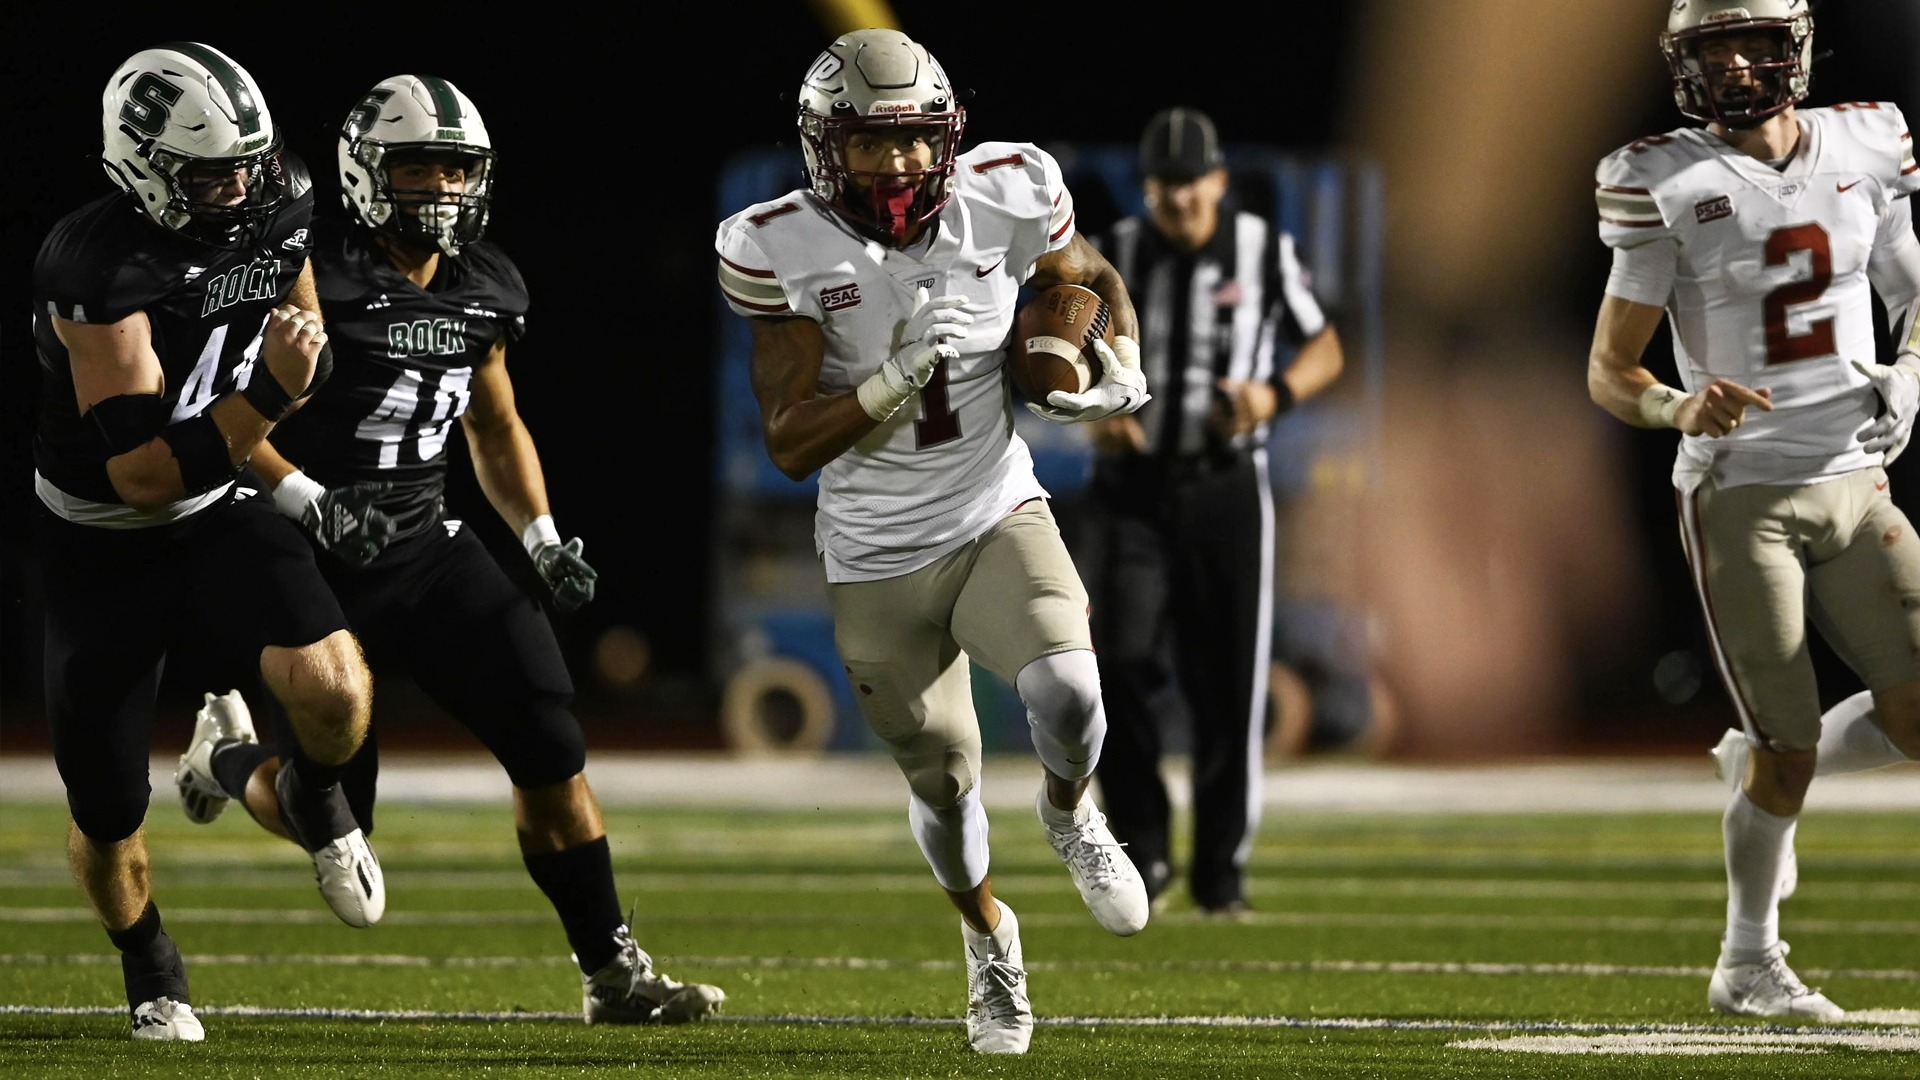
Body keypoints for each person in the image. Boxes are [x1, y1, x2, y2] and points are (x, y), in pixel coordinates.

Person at [170, 73, 725, 1025]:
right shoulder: (307, 274)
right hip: (310, 557)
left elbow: (496, 427)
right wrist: (309, 503)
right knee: (336, 813)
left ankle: (612, 973)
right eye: (418, 167)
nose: (440, 190)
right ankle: (225, 762)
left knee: (551, 740)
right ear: (363, 171)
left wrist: (544, 539)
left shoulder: (490, 283)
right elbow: (224, 425)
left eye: (456, 170)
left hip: (426, 548)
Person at [714, 28, 1151, 1054]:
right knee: (947, 787)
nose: (901, 163)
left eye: (916, 140)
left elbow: (1085, 274)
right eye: (873, 143)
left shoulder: (1011, 188)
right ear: (828, 149)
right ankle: (992, 944)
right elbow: (786, 444)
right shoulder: (774, 241)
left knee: (1071, 694)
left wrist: (1116, 365)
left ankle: (1071, 813)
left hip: (994, 507)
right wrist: (891, 377)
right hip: (873, 550)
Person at [30, 41, 386, 1041]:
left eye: (251, 164)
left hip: (218, 498)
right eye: (211, 172)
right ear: (140, 163)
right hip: (103, 537)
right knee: (107, 816)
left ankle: (302, 792)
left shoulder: (281, 201)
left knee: (336, 687)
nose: (240, 188)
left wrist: (291, 404)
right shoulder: (99, 265)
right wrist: (272, 391)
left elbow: (296, 318)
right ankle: (151, 965)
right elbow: (141, 478)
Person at [1588, 0, 1920, 1020]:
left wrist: (1912, 376)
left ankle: (1761, 757)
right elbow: (1610, 368)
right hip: (1743, 496)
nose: (1733, 66)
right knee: (1789, 759)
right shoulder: (1660, 177)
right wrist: (1677, 402)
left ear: (1795, 51)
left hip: (1858, 479)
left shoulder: (1870, 139)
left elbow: (1913, 293)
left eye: (1752, 44)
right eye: (1711, 49)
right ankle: (1746, 961)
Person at [1077, 106, 1345, 917]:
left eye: (1192, 183)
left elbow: (1325, 345)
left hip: (1227, 484)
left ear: (1219, 181)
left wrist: (1274, 394)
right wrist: (1094, 404)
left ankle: (1221, 872)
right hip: (1131, 488)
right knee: (1116, 664)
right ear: (1148, 188)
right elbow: (1061, 349)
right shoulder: (1114, 252)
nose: (1180, 200)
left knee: (1227, 683)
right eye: (1165, 186)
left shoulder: (1263, 252)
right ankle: (1145, 849)